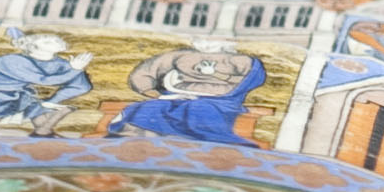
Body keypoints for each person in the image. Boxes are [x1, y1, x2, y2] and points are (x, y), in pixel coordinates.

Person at [105, 47, 267, 147]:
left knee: (200, 109)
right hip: (177, 95)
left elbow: (251, 80)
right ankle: (144, 139)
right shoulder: (181, 55)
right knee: (149, 107)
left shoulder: (242, 60)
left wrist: (216, 74)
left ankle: (190, 141)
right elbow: (146, 72)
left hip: (220, 100)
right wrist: (155, 94)